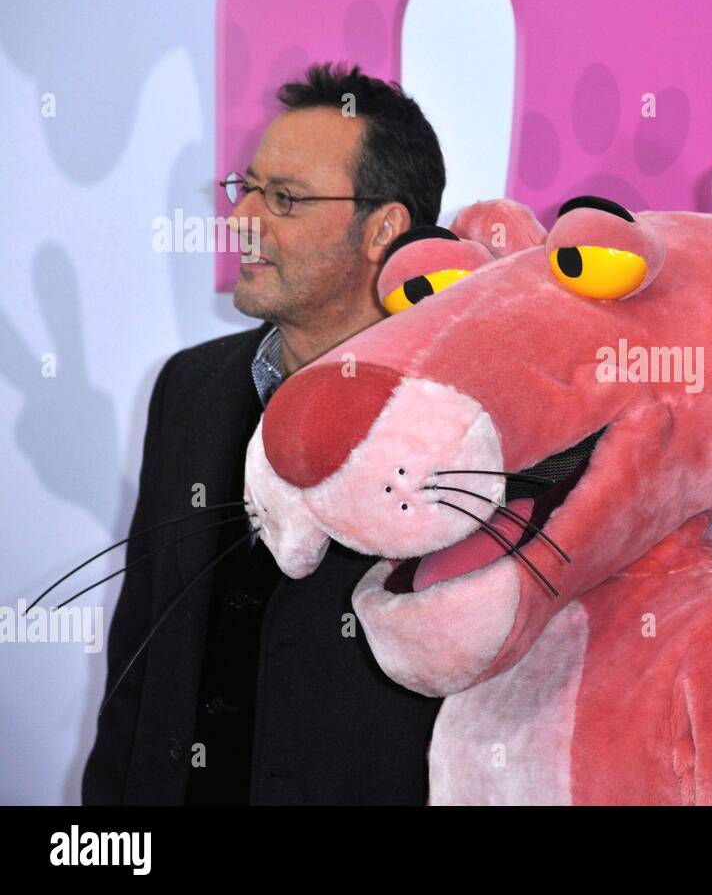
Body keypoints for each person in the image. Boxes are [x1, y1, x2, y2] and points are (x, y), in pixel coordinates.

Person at [83, 63, 447, 804]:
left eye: (283, 199)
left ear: (383, 228)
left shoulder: (460, 413)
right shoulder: (188, 388)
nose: (243, 218)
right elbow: (140, 652)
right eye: (245, 188)